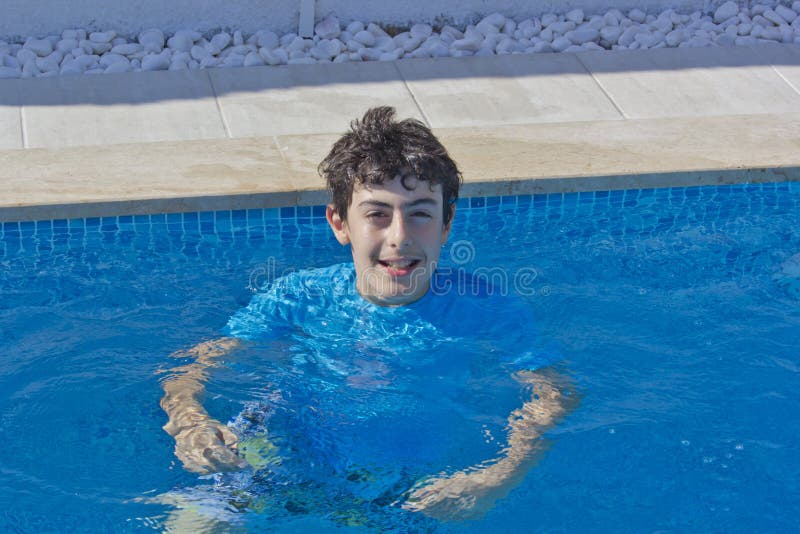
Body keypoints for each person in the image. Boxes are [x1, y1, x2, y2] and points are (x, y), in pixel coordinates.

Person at [159, 106, 577, 522]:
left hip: (408, 485)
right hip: (279, 454)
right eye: (377, 214)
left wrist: (494, 477)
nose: (400, 237)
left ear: (446, 225)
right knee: (197, 525)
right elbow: (194, 368)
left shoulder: (486, 308)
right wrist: (190, 422)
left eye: (420, 214)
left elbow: (555, 394)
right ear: (339, 223)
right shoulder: (299, 294)